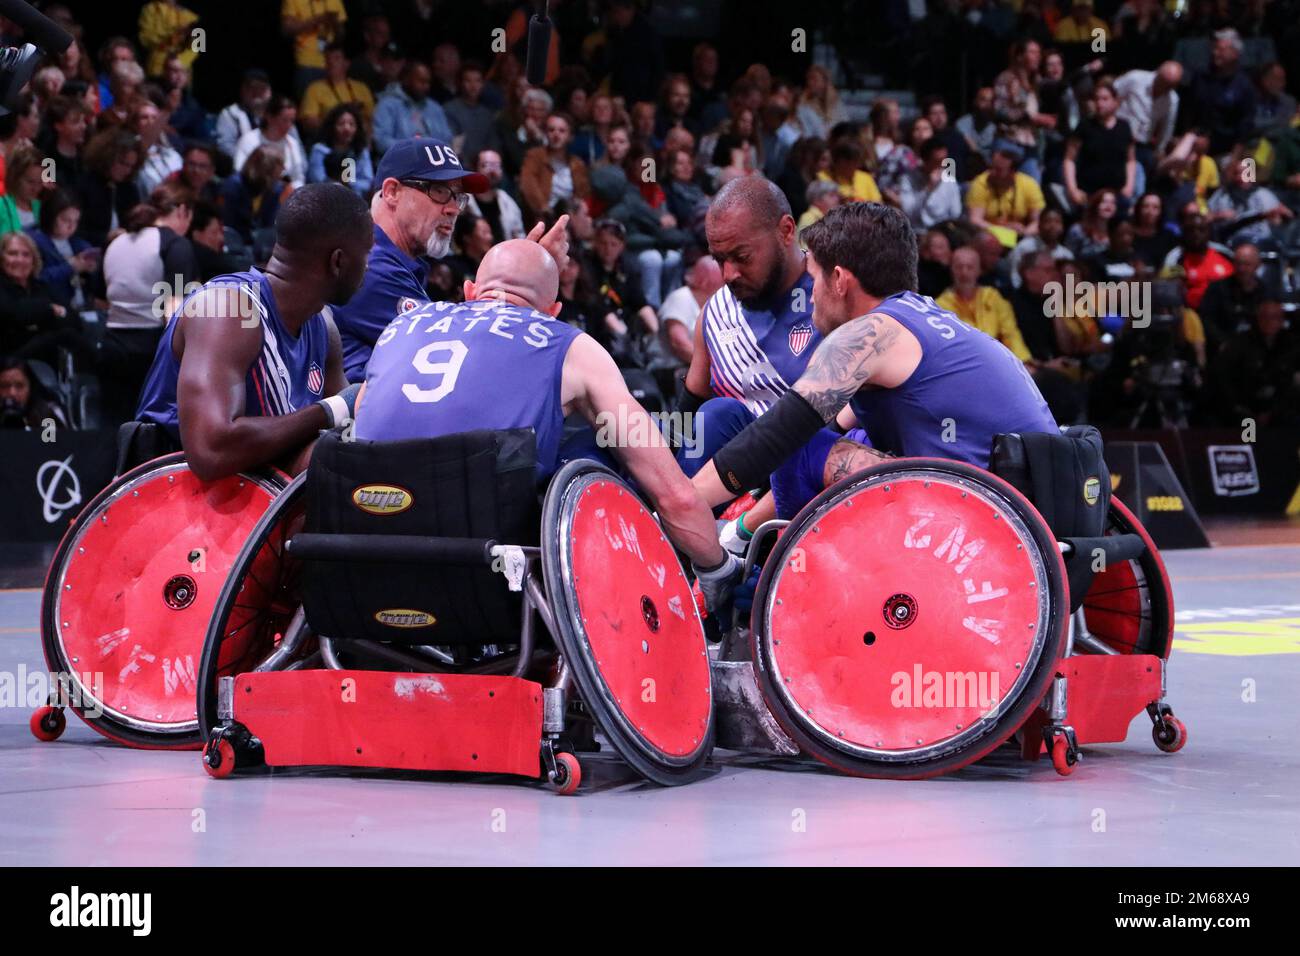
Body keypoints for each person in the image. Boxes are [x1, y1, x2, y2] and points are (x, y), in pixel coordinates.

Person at [352, 237, 740, 613]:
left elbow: (362, 417)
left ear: (470, 290)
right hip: (488, 564)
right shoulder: (569, 344)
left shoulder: (401, 326)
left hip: (368, 546)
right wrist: (717, 565)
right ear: (553, 310)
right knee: (602, 443)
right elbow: (675, 495)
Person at [689, 202, 1057, 512]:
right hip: (1029, 505)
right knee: (846, 437)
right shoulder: (924, 315)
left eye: (814, 278)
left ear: (839, 279)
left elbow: (778, 436)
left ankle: (770, 578)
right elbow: (829, 430)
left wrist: (681, 507)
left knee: (796, 446)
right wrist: (739, 528)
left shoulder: (868, 334)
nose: (811, 296)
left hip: (990, 519)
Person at [135, 183, 370, 479]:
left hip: (255, 497)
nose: (369, 266)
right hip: (168, 502)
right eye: (367, 253)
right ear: (338, 261)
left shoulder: (323, 325)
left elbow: (347, 432)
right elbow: (211, 451)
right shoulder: (227, 309)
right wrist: (329, 410)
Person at [333, 138, 569, 384]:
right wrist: (529, 277)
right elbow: (462, 357)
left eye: (457, 196)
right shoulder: (371, 266)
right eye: (439, 191)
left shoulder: (399, 262)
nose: (454, 208)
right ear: (392, 192)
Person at [101, 182, 197, 424]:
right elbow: (174, 309)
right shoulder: (175, 244)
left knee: (114, 432)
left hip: (111, 347)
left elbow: (99, 299)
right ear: (183, 210)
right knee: (149, 434)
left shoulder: (116, 242)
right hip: (149, 352)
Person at [937, 246, 1033, 361]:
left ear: (979, 270)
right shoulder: (940, 305)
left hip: (1000, 362)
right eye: (959, 267)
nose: (964, 273)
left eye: (970, 267)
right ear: (951, 270)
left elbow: (1010, 334)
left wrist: (1023, 362)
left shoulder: (993, 297)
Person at [372, 61, 453, 154]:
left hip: (434, 163)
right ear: (406, 80)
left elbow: (447, 139)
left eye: (428, 82)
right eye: (421, 81)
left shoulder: (434, 108)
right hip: (400, 164)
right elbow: (381, 141)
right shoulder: (388, 105)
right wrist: (413, 149)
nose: (426, 86)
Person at [298, 43, 375, 139]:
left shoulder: (361, 88)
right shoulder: (314, 88)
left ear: (347, 63)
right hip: (329, 141)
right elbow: (308, 121)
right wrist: (336, 126)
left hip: (358, 142)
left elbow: (372, 119)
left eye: (336, 58)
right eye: (328, 58)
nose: (331, 62)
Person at [233, 95, 308, 190]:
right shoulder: (249, 140)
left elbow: (298, 178)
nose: (289, 125)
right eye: (284, 120)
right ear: (269, 117)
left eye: (291, 121)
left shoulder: (292, 144)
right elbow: (239, 170)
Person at [658, 255, 721, 367]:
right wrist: (717, 367)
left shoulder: (716, 304)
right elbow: (679, 344)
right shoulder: (681, 298)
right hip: (672, 370)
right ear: (704, 280)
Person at [307, 104, 374, 196]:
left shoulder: (361, 151)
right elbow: (316, 178)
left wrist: (350, 184)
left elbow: (367, 181)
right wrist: (336, 186)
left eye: (351, 124)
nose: (347, 128)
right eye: (341, 124)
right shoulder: (319, 150)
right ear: (332, 127)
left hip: (353, 198)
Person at [465, 149, 525, 244]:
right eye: (486, 165)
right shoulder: (464, 202)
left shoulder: (507, 202)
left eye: (497, 166)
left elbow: (519, 236)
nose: (492, 171)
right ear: (475, 168)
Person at [0, 356, 71, 430]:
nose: (12, 393)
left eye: (19, 386)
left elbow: (55, 440)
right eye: (4, 386)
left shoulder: (47, 415)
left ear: (30, 388)